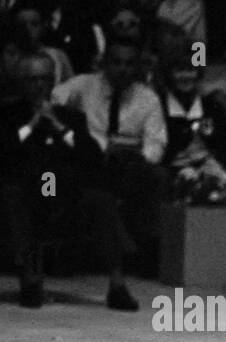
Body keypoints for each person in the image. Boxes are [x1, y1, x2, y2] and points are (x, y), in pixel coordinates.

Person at [1, 51, 138, 311]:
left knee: (100, 199)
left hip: (65, 192)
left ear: (53, 81)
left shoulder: (71, 117)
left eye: (44, 79)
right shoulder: (7, 115)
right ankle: (31, 278)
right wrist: (31, 125)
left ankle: (117, 285)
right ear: (20, 82)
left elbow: (93, 156)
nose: (39, 85)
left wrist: (60, 129)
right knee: (13, 196)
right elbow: (5, 152)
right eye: (32, 79)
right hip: (25, 188)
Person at [53, 37, 168, 278]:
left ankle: (144, 254)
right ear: (104, 63)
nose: (122, 69)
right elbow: (51, 99)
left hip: (128, 164)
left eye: (129, 63)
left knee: (155, 175)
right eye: (116, 62)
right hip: (89, 160)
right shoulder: (83, 86)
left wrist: (134, 155)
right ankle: (96, 251)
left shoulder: (147, 99)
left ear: (137, 67)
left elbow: (156, 144)